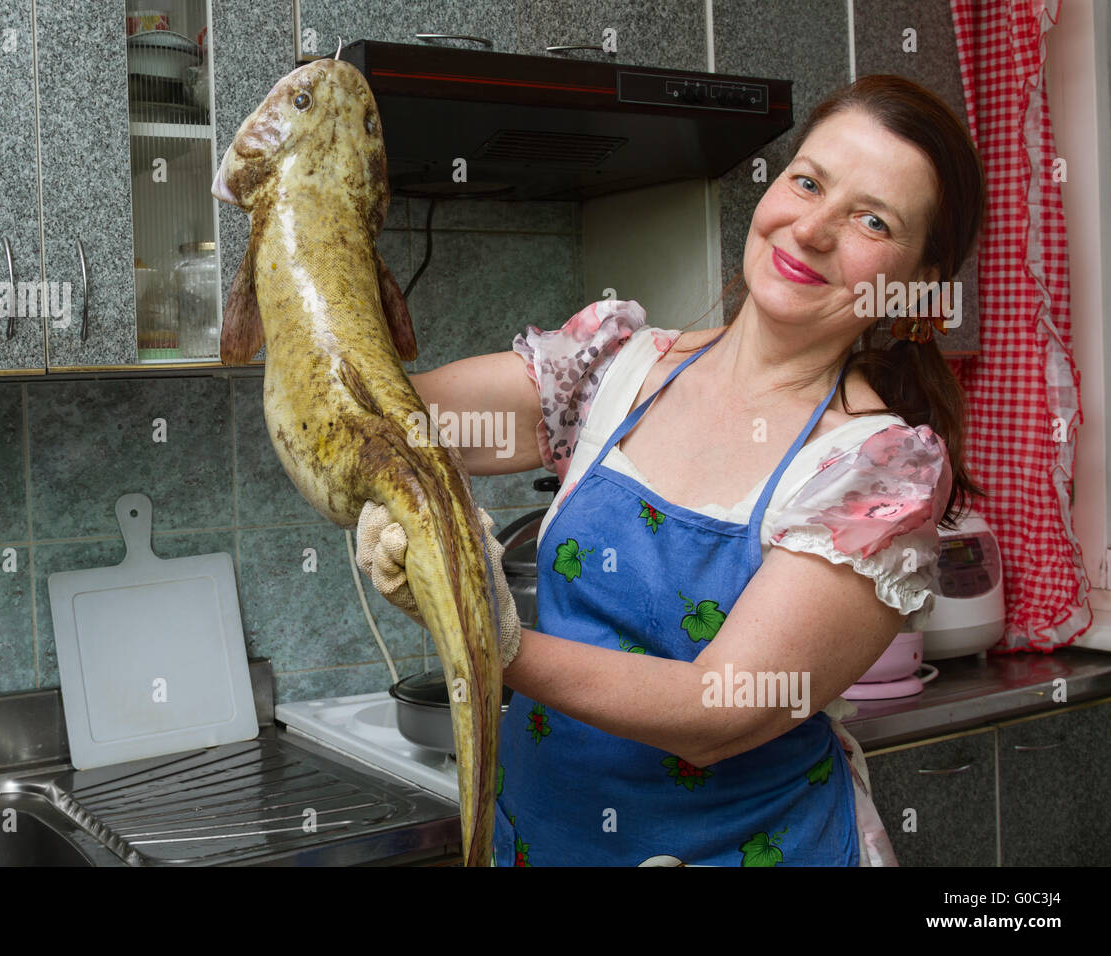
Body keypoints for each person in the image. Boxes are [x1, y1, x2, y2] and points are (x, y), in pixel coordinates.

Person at [356, 73, 985, 866]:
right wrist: (321, 245)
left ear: (918, 286)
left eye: (870, 219)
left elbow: (719, 713)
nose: (812, 229)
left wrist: (478, 626)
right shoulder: (613, 373)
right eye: (807, 181)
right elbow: (386, 424)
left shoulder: (873, 473)